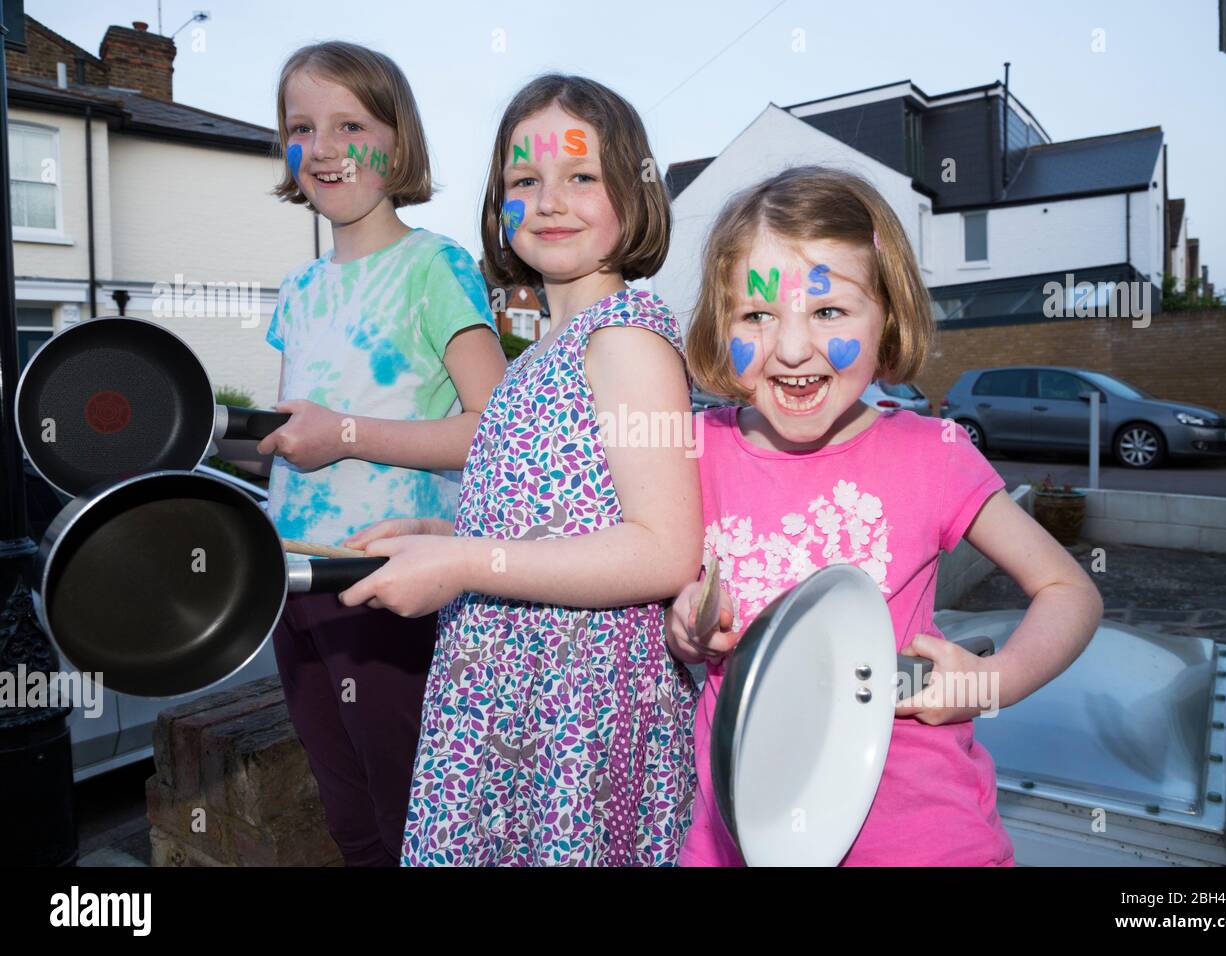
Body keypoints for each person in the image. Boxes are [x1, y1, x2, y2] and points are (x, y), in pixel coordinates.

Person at [666, 165, 1103, 866]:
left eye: (829, 311)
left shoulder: (935, 453)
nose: (792, 347)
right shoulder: (695, 451)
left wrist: (991, 683)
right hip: (740, 836)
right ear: (721, 328)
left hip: (922, 838)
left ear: (888, 317)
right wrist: (686, 629)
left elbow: (1069, 591)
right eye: (756, 314)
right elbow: (678, 609)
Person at [340, 75, 701, 866]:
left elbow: (665, 548)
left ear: (633, 194)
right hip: (505, 704)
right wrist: (439, 535)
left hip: (578, 720)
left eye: (581, 177)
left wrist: (466, 561)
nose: (548, 201)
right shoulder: (538, 354)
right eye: (523, 181)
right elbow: (543, 522)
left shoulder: (627, 339)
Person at [257, 41, 505, 866]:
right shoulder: (297, 291)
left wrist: (348, 435)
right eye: (302, 127)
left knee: (412, 817)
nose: (324, 147)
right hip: (290, 581)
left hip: (387, 585)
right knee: (347, 812)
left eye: (350, 124)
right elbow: (300, 435)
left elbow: (496, 432)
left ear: (395, 143)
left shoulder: (435, 267)